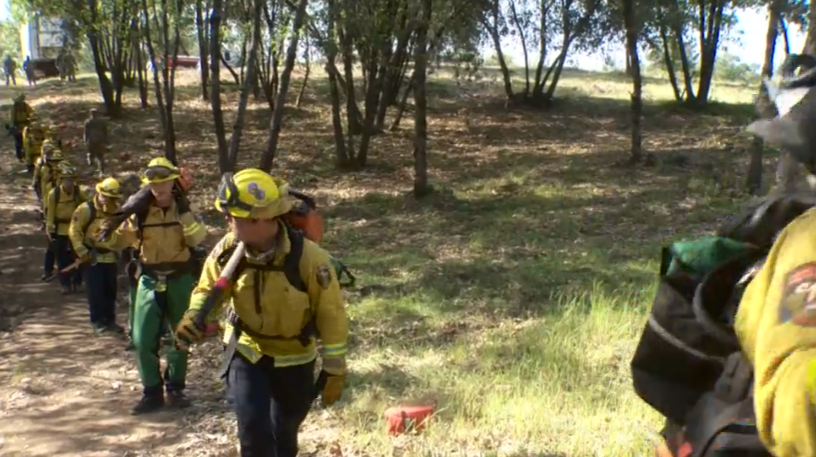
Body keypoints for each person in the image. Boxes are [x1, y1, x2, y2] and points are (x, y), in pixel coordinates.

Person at [175, 169, 349, 457]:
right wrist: (195, 315)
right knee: (253, 432)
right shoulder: (228, 249)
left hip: (295, 357)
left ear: (261, 219)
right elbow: (208, 289)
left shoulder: (308, 258)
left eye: (233, 216)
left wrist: (334, 367)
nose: (227, 220)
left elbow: (331, 313)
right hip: (247, 351)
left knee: (285, 434)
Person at [102, 157, 208, 414]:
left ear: (173, 183)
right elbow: (119, 242)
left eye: (164, 182)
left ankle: (175, 387)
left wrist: (184, 214)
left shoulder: (184, 209)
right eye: (153, 183)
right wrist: (110, 226)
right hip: (149, 279)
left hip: (180, 278)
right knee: (142, 339)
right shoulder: (140, 212)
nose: (159, 188)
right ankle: (151, 392)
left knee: (181, 336)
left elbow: (197, 238)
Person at [69, 178, 127, 334]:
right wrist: (81, 250)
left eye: (111, 198)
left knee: (110, 290)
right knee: (96, 291)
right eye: (105, 196)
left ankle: (110, 321)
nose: (107, 200)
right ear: (99, 193)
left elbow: (124, 232)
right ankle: (97, 321)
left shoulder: (118, 211)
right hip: (92, 257)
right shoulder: (86, 209)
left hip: (111, 257)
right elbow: (74, 231)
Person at [45, 163, 88, 294]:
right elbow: (50, 214)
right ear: (61, 180)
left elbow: (89, 204)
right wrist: (50, 231)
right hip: (60, 231)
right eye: (66, 180)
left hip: (76, 229)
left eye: (71, 180)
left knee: (79, 257)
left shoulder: (78, 193)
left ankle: (77, 282)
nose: (69, 183)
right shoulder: (54, 194)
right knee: (62, 259)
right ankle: (65, 284)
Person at [8, 94, 33, 163]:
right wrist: (14, 127)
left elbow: (32, 114)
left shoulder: (26, 106)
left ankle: (28, 155)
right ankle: (20, 156)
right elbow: (12, 120)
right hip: (18, 127)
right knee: (18, 142)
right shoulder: (14, 108)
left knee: (29, 141)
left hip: (26, 126)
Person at [83, 109, 108, 173]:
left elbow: (86, 132)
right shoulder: (101, 122)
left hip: (91, 140)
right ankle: (102, 171)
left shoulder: (88, 122)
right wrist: (106, 140)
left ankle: (92, 169)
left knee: (91, 155)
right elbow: (105, 132)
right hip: (100, 140)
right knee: (100, 155)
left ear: (90, 114)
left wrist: (85, 140)